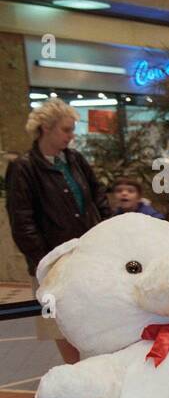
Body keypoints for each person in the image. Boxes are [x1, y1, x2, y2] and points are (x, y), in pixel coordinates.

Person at [6, 97, 112, 365]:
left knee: (91, 315)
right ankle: (75, 372)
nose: (71, 136)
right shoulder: (24, 167)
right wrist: (45, 261)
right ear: (46, 128)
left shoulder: (74, 160)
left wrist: (107, 231)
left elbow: (97, 195)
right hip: (51, 263)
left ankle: (95, 370)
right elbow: (22, 220)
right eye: (66, 130)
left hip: (85, 256)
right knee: (57, 320)